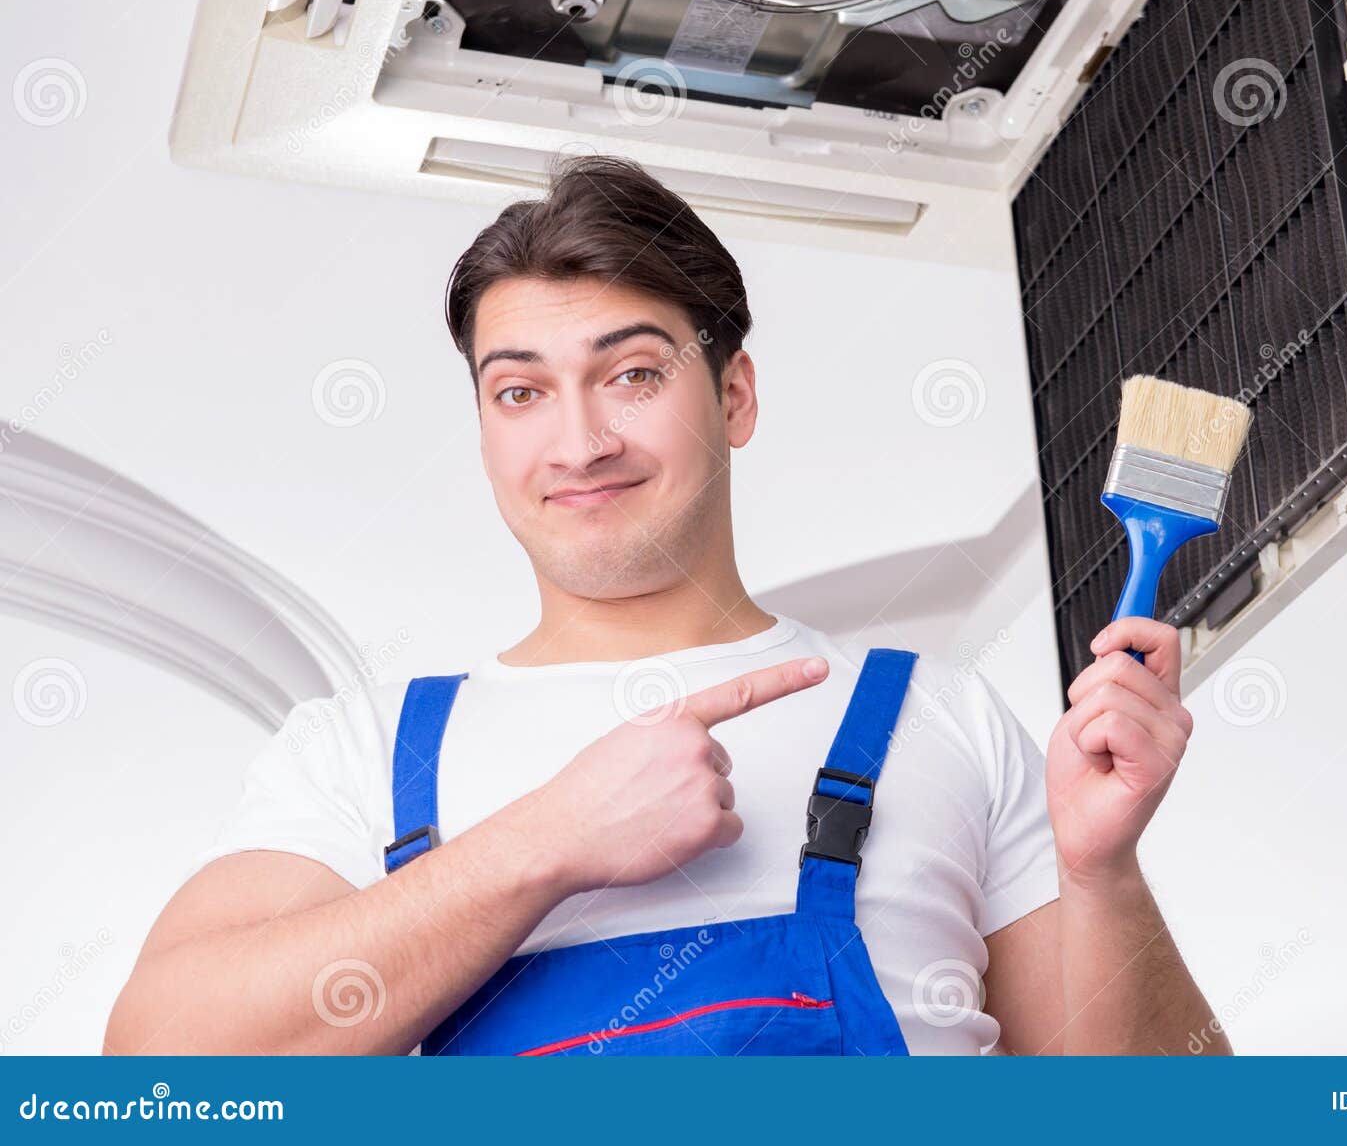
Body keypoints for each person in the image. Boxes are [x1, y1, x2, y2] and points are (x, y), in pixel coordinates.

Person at [105, 156, 1224, 1056]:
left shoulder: (944, 719)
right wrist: (540, 845)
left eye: (632, 374)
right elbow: (157, 1074)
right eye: (521, 392)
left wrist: (1100, 874)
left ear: (732, 394)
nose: (580, 441)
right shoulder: (364, 752)